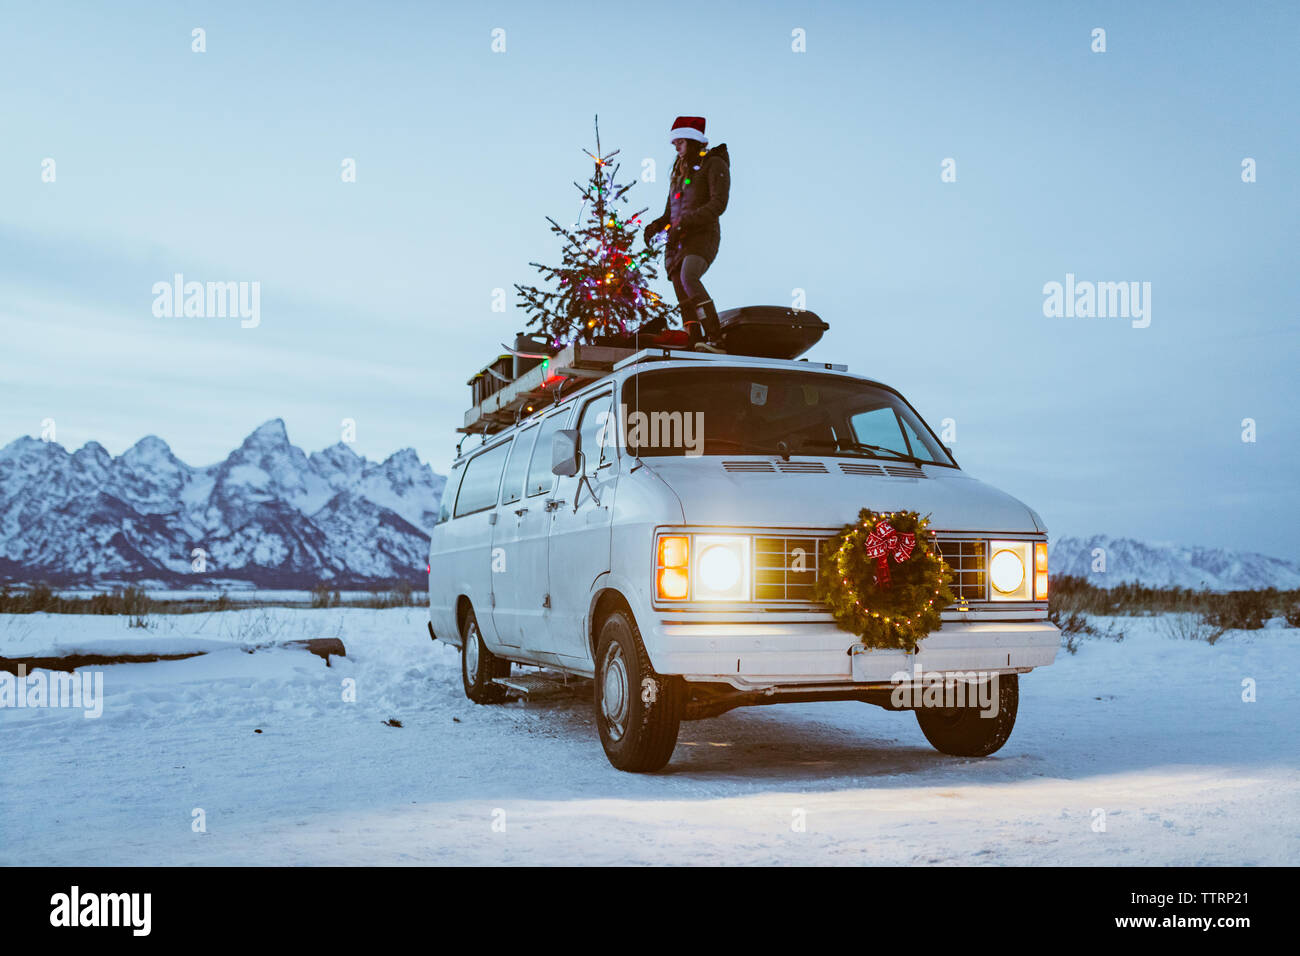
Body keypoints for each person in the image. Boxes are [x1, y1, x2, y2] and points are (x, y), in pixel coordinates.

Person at [643, 116, 730, 352]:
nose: (676, 148)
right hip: (677, 242)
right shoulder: (679, 174)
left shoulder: (714, 164)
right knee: (681, 289)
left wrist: (686, 221)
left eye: (680, 143)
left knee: (689, 276)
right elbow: (670, 212)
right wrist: (656, 226)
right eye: (674, 144)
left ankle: (715, 337)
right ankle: (695, 338)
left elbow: (719, 203)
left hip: (702, 236)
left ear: (692, 141)